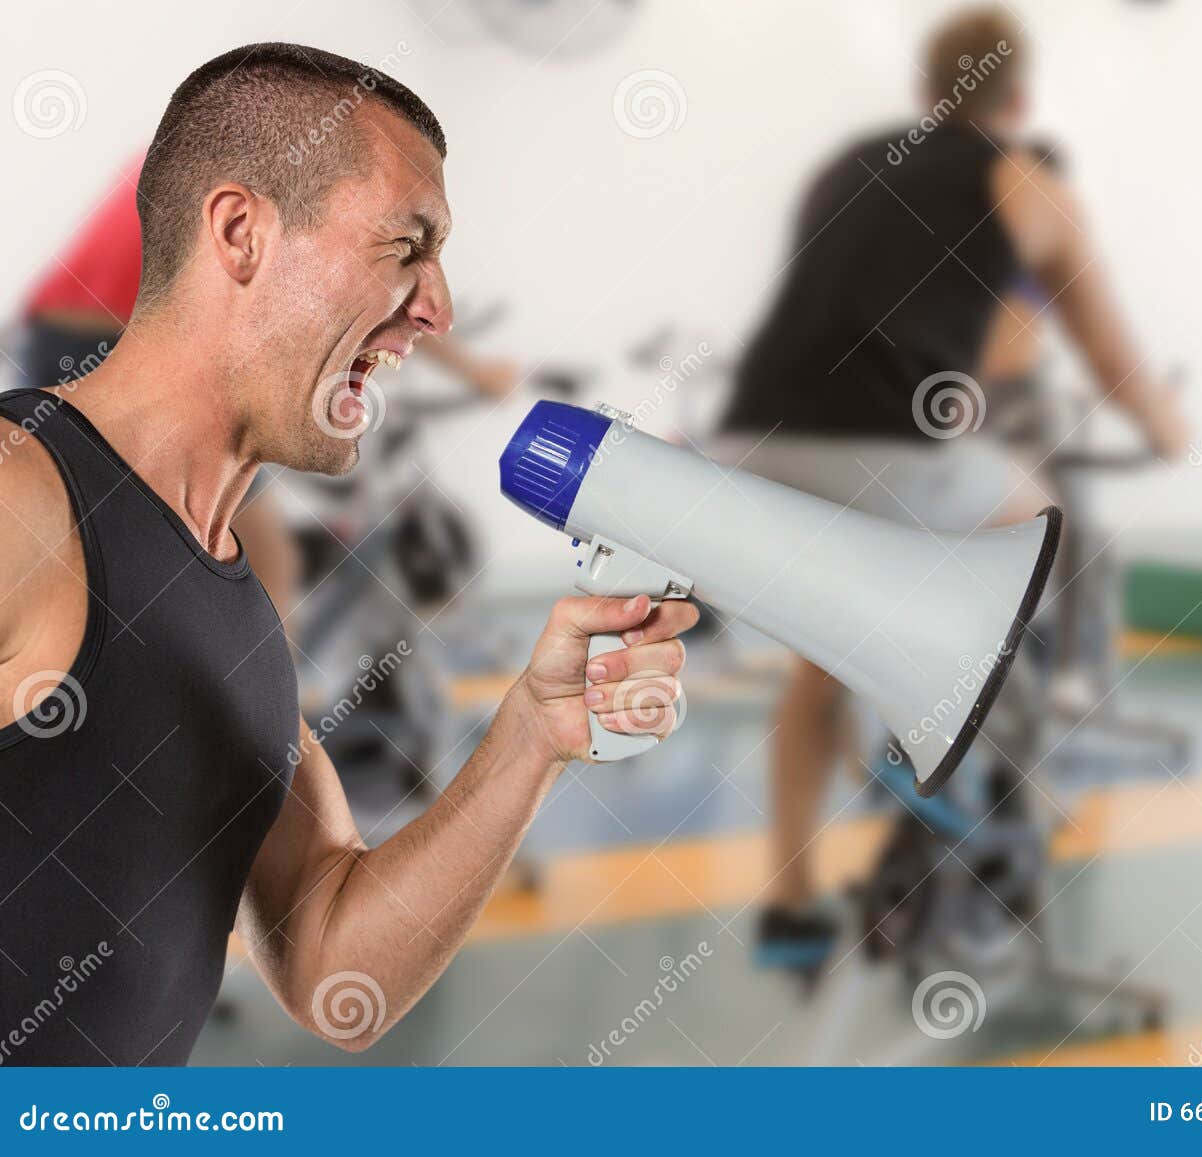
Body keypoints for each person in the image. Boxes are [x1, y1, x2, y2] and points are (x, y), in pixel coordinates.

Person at [0, 43, 696, 1064]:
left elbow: (333, 970)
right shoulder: (18, 495)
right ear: (241, 233)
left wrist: (534, 730)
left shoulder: (236, 613)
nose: (437, 308)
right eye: (405, 245)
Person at [715, 7, 1186, 971]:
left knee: (822, 659)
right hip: (879, 449)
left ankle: (790, 906)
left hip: (751, 448)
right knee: (1046, 519)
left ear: (925, 91)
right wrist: (1169, 430)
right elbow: (1111, 356)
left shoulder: (849, 164)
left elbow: (866, 314)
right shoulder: (1027, 180)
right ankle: (926, 734)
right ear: (1021, 98)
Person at [13, 153, 524, 621]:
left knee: (131, 536)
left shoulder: (196, 155)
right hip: (103, 340)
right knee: (258, 550)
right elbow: (373, 293)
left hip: (65, 336)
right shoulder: (273, 175)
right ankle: (268, 689)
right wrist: (474, 372)